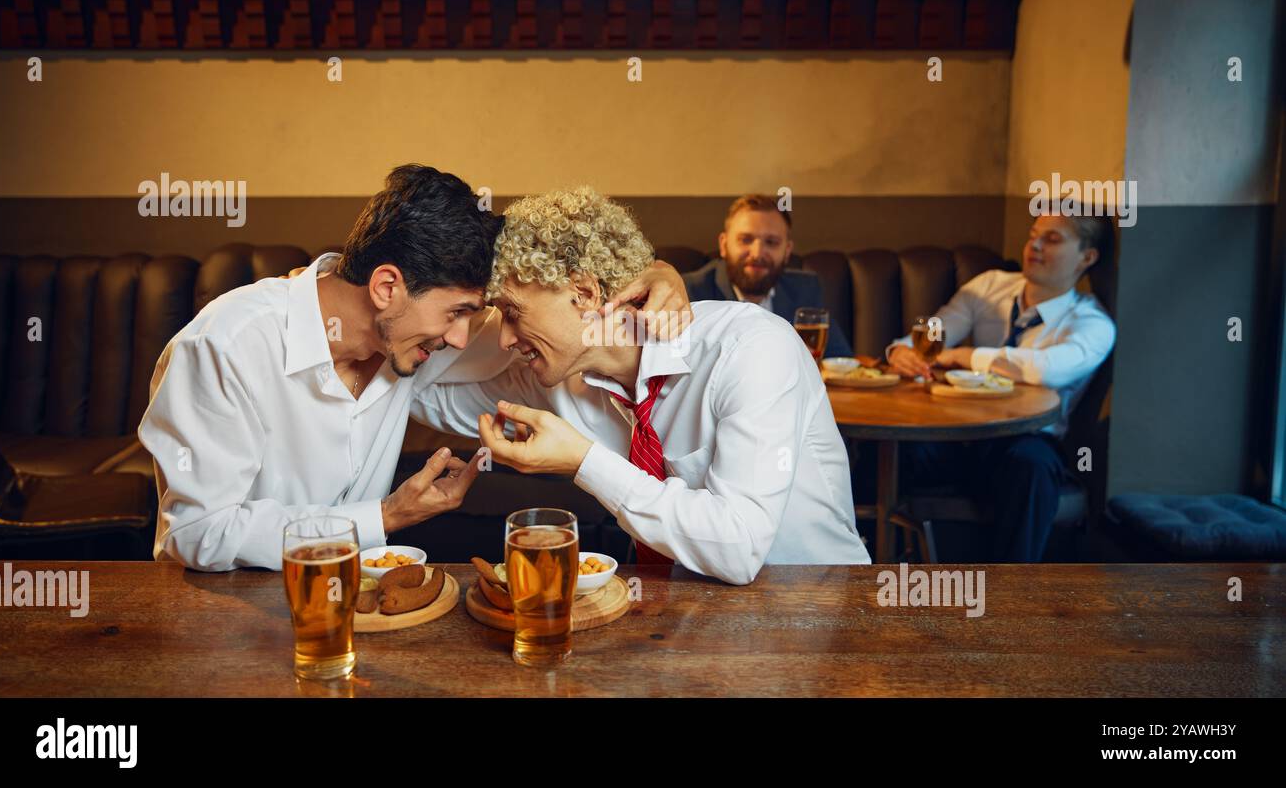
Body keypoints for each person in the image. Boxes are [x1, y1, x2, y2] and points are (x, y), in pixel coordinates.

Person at [139, 164, 690, 572]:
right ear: (386, 287)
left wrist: (656, 274)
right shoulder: (224, 348)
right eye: (458, 314)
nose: (462, 337)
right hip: (227, 622)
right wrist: (385, 517)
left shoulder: (414, 337)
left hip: (364, 613)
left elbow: (558, 324)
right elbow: (199, 532)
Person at [411, 186, 870, 585]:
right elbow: (410, 379)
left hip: (818, 607)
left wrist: (583, 462)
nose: (504, 337)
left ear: (586, 294)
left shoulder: (751, 349)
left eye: (512, 312)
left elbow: (740, 547)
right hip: (681, 615)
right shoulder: (557, 381)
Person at [886, 211, 1117, 561]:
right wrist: (900, 351)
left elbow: (1047, 370)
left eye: (1052, 239)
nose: (1034, 246)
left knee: (1032, 467)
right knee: (886, 449)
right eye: (1033, 235)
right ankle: (859, 572)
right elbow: (933, 331)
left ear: (1087, 257)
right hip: (957, 435)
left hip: (1028, 441)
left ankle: (1010, 599)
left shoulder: (1093, 323)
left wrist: (968, 356)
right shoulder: (990, 285)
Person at [682, 193, 853, 358]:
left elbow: (839, 361)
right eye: (746, 240)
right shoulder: (690, 291)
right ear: (724, 245)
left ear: (787, 251)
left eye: (771, 242)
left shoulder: (805, 290)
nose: (757, 253)